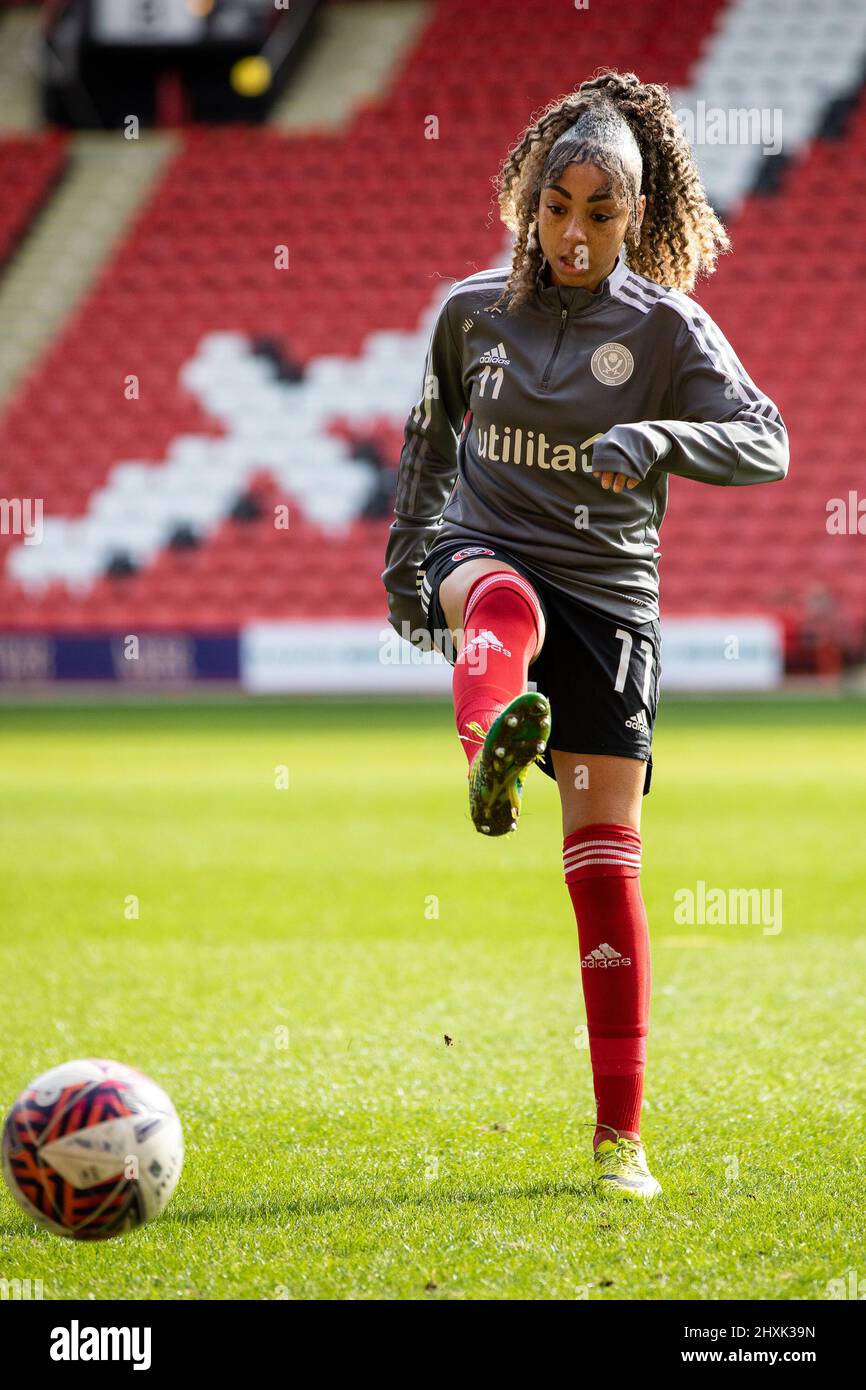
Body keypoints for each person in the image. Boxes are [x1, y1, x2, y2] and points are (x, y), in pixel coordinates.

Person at [381, 70, 789, 1199]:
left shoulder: (668, 327)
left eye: (600, 215)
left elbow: (766, 443)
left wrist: (659, 435)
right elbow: (426, 447)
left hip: (609, 596)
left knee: (602, 870)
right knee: (496, 602)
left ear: (636, 214)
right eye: (555, 207)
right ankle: (489, 756)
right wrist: (405, 569)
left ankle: (620, 1142)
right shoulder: (470, 313)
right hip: (491, 546)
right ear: (525, 196)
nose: (572, 233)